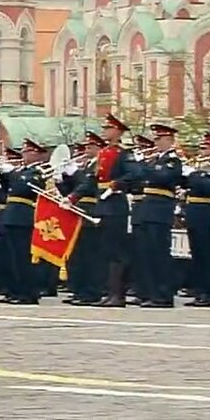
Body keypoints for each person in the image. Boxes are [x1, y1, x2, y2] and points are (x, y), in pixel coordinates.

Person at [132, 123, 183, 308]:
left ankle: (163, 295)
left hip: (161, 210)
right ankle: (150, 292)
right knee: (148, 254)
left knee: (160, 254)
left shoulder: (172, 160)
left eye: (160, 139)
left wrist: (143, 167)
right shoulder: (154, 161)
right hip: (148, 209)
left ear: (170, 141)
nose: (156, 142)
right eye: (156, 139)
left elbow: (162, 178)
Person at [93, 114, 135, 307]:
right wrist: (73, 197)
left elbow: (134, 173)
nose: (105, 131)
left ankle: (118, 294)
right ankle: (109, 291)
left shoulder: (123, 153)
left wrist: (117, 184)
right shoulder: (104, 152)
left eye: (109, 128)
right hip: (102, 204)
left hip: (115, 203)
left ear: (118, 131)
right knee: (106, 251)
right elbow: (94, 179)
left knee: (117, 251)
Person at [0, 139, 47, 305]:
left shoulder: (39, 171)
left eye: (28, 151)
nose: (24, 154)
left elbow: (25, 188)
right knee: (11, 257)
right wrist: (3, 175)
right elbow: (7, 190)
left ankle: (28, 293)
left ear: (36, 154)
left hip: (24, 216)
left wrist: (12, 174)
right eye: (24, 151)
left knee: (23, 258)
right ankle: (14, 290)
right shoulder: (20, 171)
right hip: (11, 216)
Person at [182, 133, 210, 307]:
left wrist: (195, 176)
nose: (202, 151)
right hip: (193, 210)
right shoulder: (198, 165)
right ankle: (199, 291)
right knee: (197, 254)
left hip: (206, 211)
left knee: (208, 254)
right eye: (201, 148)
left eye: (206, 148)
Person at [64, 132, 104, 305]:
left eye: (90, 147)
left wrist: (75, 174)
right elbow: (74, 187)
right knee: (78, 255)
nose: (86, 150)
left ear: (98, 148)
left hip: (90, 209)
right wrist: (64, 178)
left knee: (89, 255)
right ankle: (79, 290)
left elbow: (87, 186)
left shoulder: (98, 165)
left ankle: (90, 292)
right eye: (86, 147)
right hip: (79, 211)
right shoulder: (88, 166)